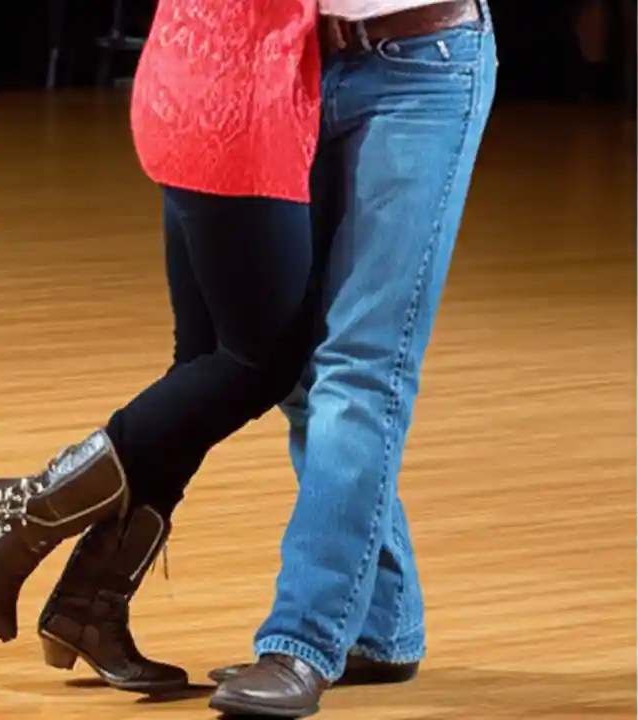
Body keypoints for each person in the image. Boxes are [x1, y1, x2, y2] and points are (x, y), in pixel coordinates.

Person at [0, 0, 321, 695]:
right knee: (259, 360)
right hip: (241, 96)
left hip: (189, 70)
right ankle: (24, 510)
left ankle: (89, 607)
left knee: (205, 358)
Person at [201, 2, 499, 717]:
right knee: (295, 370)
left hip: (422, 66)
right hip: (297, 65)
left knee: (361, 365)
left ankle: (302, 642)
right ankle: (382, 626)